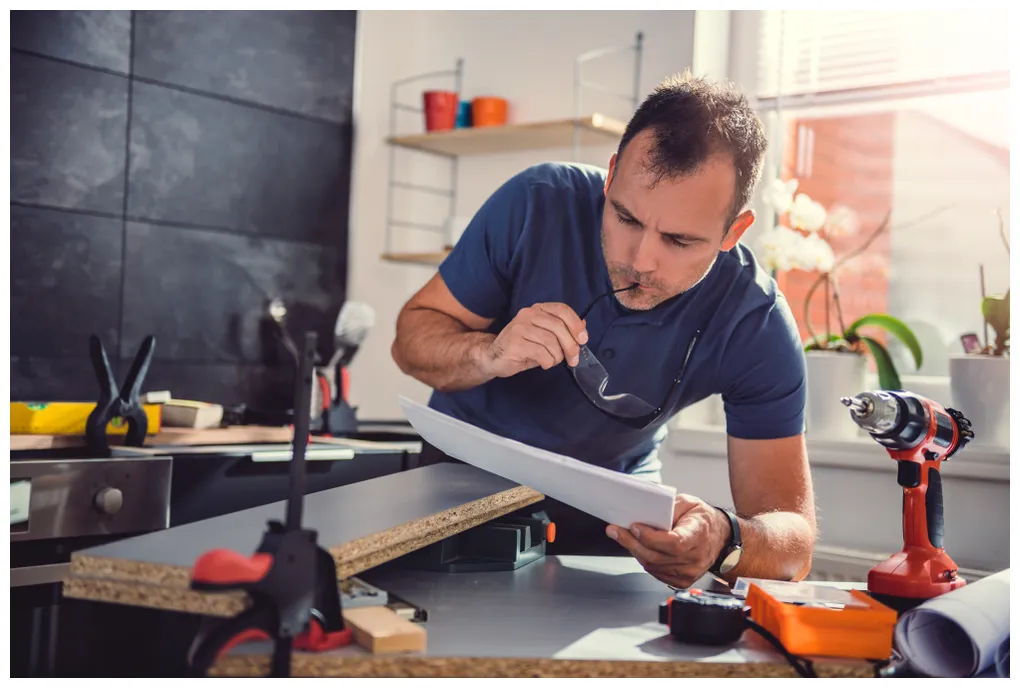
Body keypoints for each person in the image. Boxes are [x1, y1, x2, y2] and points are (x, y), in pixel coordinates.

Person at [391, 71, 817, 589]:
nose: (641, 260)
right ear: (612, 174)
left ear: (733, 231)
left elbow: (794, 543)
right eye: (626, 217)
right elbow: (410, 340)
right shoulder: (536, 201)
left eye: (680, 241)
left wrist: (722, 537)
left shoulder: (757, 320)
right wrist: (488, 352)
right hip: (451, 491)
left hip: (613, 527)